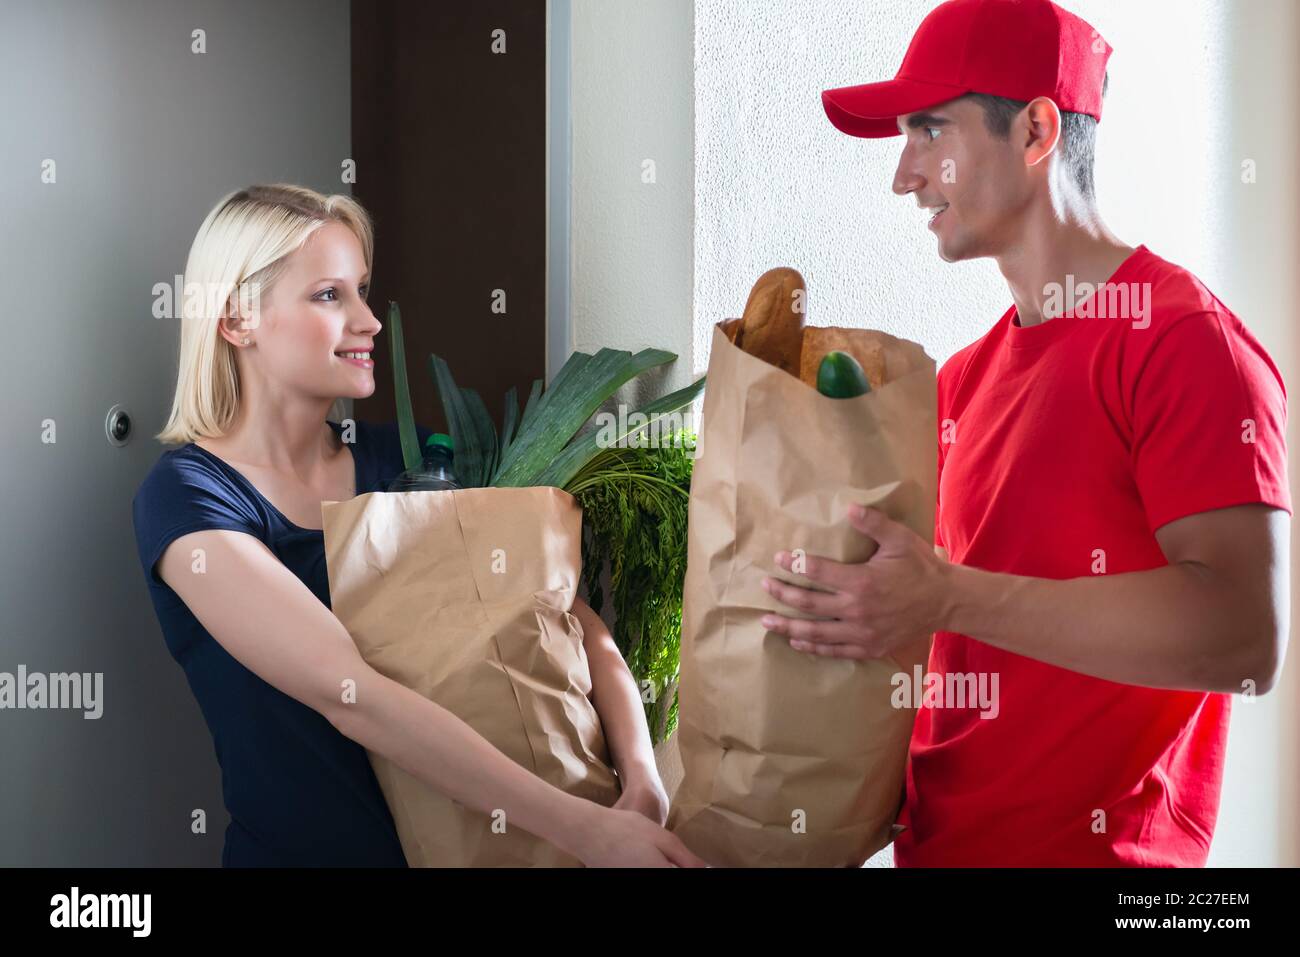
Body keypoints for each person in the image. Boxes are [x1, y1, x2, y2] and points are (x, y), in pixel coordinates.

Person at [760, 0, 1291, 865]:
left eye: (930, 131)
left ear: (1037, 129)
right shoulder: (960, 381)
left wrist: (948, 595)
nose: (904, 173)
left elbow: (1246, 638)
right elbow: (953, 636)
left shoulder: (1184, 343)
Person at [132, 184, 702, 867]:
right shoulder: (189, 499)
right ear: (237, 320)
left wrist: (641, 781)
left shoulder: (415, 464)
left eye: (362, 290)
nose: (369, 320)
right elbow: (353, 695)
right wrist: (585, 830)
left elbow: (569, 619)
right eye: (329, 295)